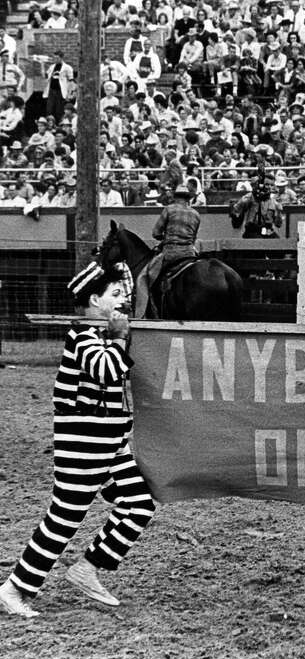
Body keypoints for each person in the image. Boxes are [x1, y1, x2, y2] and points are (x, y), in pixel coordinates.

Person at [0, 262, 156, 618]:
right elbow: (107, 370)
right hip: (82, 447)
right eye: (115, 295)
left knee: (140, 503)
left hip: (110, 443)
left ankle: (87, 567)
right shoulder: (82, 336)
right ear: (93, 300)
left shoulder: (99, 336)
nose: (123, 301)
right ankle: (14, 588)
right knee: (64, 518)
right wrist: (119, 338)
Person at [134, 185, 200, 318]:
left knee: (143, 277)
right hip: (189, 253)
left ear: (175, 197)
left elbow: (156, 233)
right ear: (188, 198)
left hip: (171, 253)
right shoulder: (196, 214)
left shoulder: (169, 210)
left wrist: (165, 237)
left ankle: (140, 316)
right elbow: (193, 238)